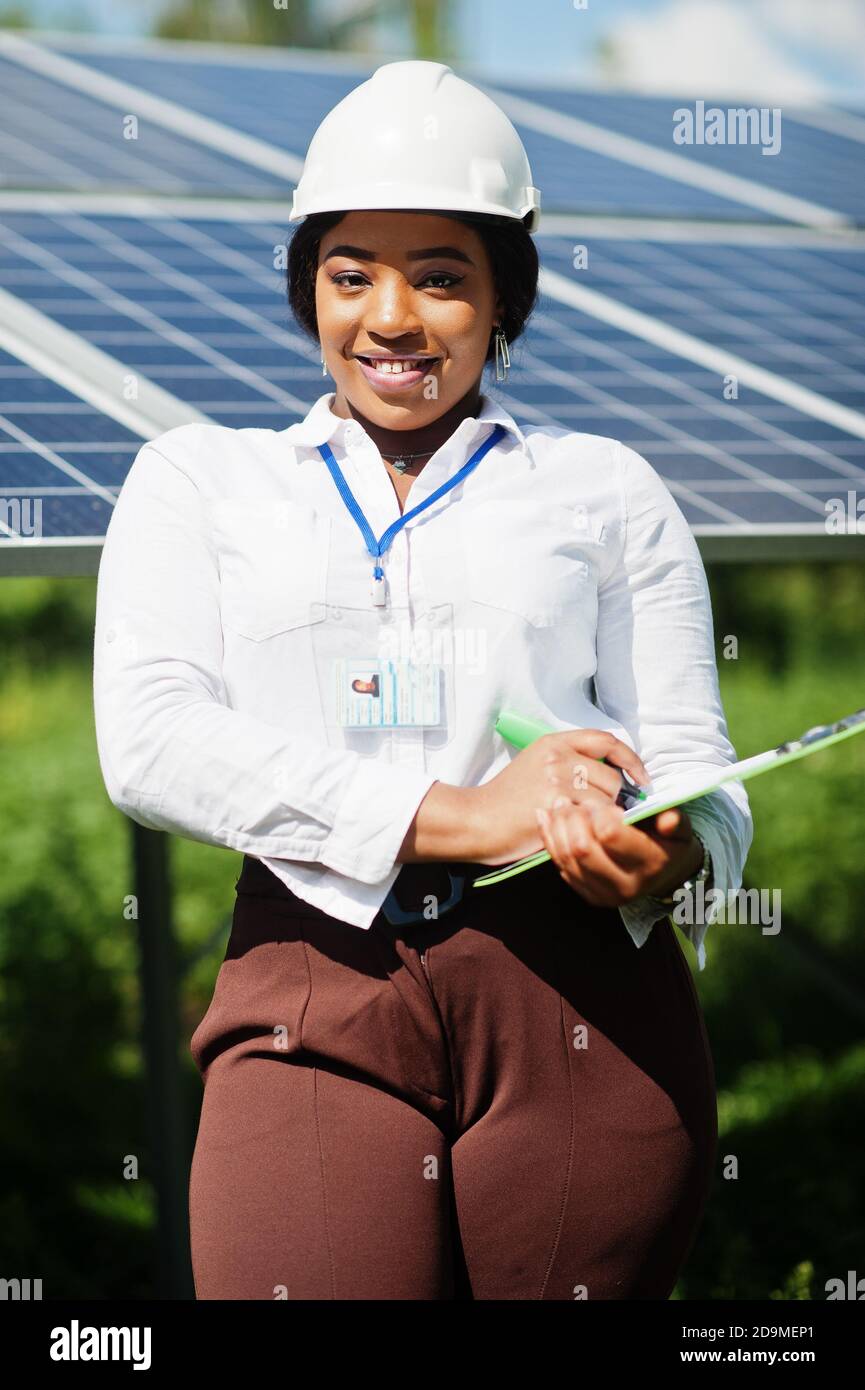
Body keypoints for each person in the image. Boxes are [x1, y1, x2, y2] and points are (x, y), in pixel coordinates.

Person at [93, 59, 752, 1300]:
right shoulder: (200, 481)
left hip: (582, 1002)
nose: (390, 317)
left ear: (505, 293)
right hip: (313, 982)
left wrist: (671, 846)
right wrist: (462, 817)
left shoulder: (605, 487)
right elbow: (152, 740)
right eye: (351, 275)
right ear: (309, 288)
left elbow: (704, 773)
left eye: (441, 276)